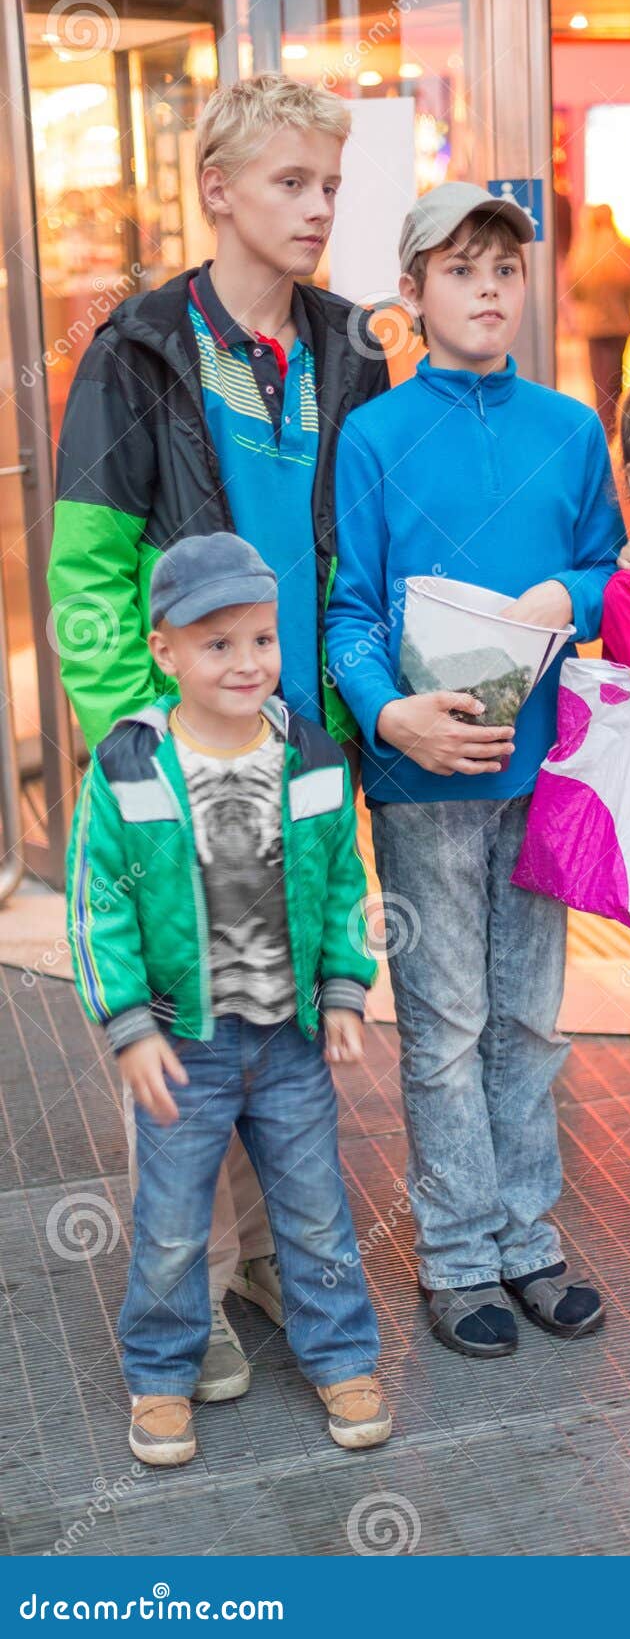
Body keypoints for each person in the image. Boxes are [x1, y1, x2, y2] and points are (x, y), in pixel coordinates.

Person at [47, 73, 390, 1400]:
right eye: (290, 183)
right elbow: (86, 572)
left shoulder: (355, 345)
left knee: (281, 1009)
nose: (314, 209)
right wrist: (130, 741)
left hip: (302, 756)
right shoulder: (136, 348)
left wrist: (360, 721)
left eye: (327, 187)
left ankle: (256, 1268)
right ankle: (184, 1303)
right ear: (218, 189)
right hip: (182, 753)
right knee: (185, 1021)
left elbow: (363, 547)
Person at [325, 182, 626, 1358]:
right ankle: (455, 1257)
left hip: (541, 770)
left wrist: (576, 593)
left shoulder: (567, 427)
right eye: (459, 270)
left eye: (503, 269)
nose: (487, 288)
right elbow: (348, 611)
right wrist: (390, 716)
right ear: (410, 295)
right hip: (422, 780)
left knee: (530, 1020)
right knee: (444, 1025)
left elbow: (611, 571)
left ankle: (525, 1239)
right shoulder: (376, 436)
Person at [66, 535, 388, 1466]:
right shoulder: (130, 765)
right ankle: (160, 1377)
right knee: (173, 1220)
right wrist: (126, 1027)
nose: (246, 663)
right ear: (163, 650)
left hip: (289, 1043)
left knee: (317, 1208)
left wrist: (342, 989)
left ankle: (342, 1355)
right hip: (184, 1045)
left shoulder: (311, 752)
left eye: (261, 639)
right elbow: (99, 907)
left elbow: (338, 882)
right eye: (217, 645)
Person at [567, 203, 630, 433]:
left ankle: (603, 423)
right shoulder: (622, 251)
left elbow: (575, 291)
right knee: (615, 378)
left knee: (599, 379)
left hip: (593, 326)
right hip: (620, 324)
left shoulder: (582, 254)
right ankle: (613, 423)